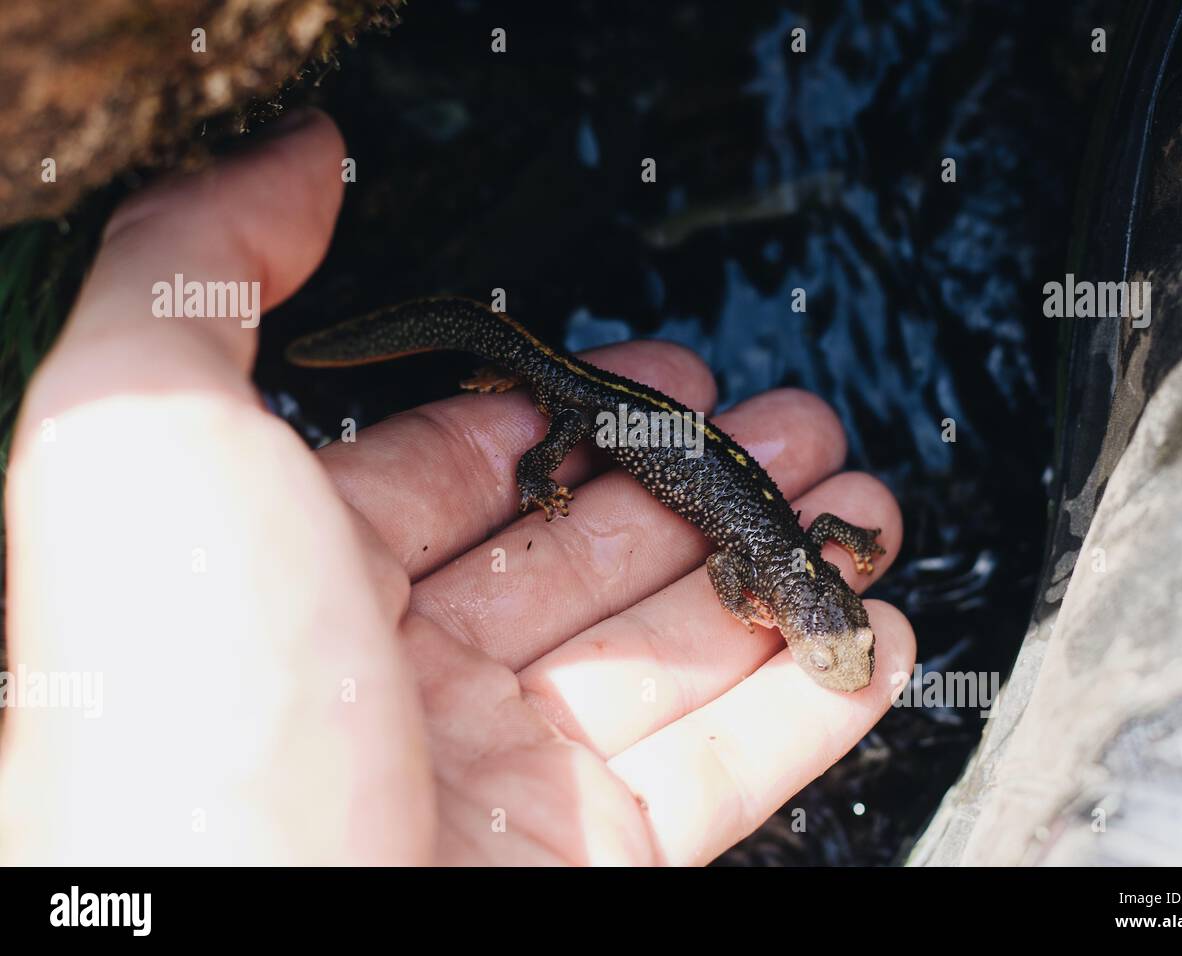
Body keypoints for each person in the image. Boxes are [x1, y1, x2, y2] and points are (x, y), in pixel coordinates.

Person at [0, 110, 914, 865]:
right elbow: (761, 552)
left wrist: (823, 567)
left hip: (627, 413)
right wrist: (772, 599)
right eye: (841, 650)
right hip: (598, 410)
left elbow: (781, 545)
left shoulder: (782, 557)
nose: (846, 661)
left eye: (838, 650)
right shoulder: (776, 563)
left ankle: (491, 358)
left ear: (824, 595)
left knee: (553, 376)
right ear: (811, 603)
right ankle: (507, 414)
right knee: (552, 405)